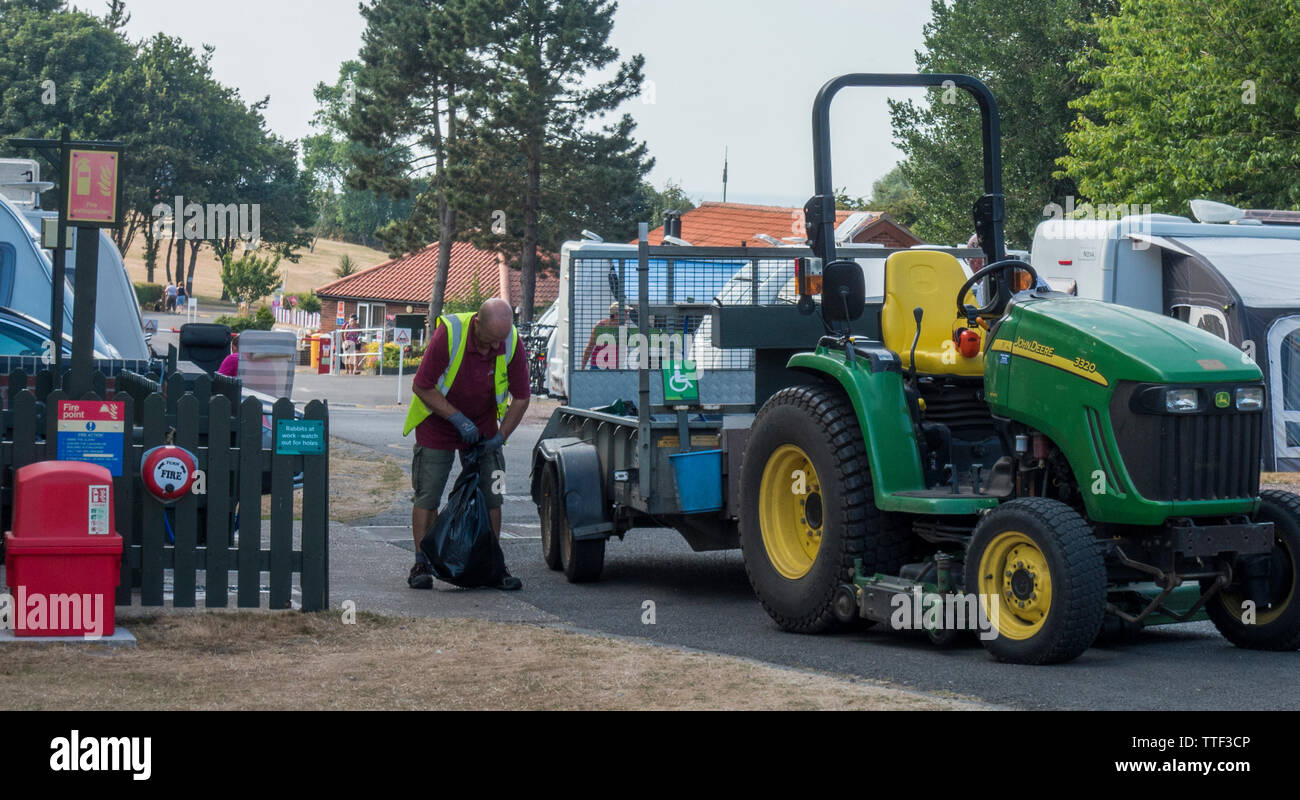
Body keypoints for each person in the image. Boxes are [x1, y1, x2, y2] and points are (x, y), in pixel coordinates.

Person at [407, 298, 530, 591]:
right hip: (438, 423)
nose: (492, 349)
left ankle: (492, 564)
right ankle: (421, 563)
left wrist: (501, 436)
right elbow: (421, 385)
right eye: (488, 341)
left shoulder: (510, 342)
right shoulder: (450, 334)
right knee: (428, 493)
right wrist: (457, 419)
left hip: (485, 428)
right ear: (477, 323)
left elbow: (522, 397)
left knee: (492, 494)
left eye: (498, 342)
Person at [582, 302, 624, 369]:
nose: (628, 315)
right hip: (598, 366)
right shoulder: (601, 325)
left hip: (614, 367)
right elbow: (590, 347)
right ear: (616, 315)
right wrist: (582, 368)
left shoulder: (623, 328)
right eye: (626, 313)